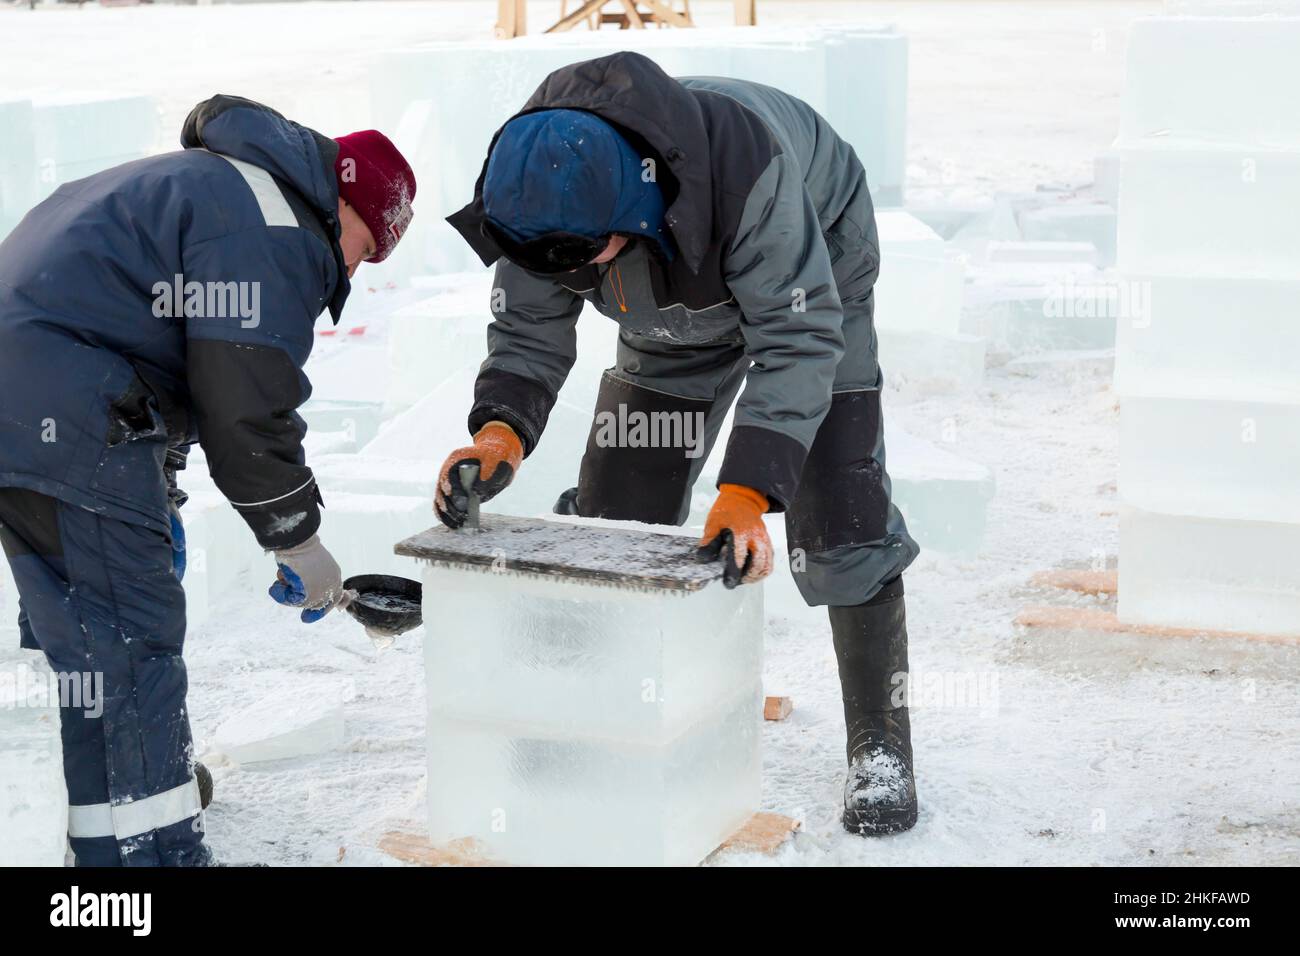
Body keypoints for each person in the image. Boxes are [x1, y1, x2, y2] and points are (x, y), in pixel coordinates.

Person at [434, 52, 922, 835]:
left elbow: (797, 341)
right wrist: (500, 431)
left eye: (573, 259)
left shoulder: (748, 175)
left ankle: (880, 745)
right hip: (667, 302)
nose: (557, 275)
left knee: (839, 506)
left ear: (630, 212)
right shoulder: (532, 197)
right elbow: (528, 325)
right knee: (618, 511)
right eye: (543, 260)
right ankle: (592, 722)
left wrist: (747, 492)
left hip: (810, 263)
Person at [0, 95, 415, 865]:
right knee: (129, 646)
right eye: (368, 249)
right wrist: (300, 540)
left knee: (78, 640)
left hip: (30, 408)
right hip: (74, 415)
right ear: (353, 209)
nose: (354, 268)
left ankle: (78, 835)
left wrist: (157, 487)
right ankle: (149, 860)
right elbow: (246, 405)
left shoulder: (214, 182)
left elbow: (144, 337)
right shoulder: (278, 228)